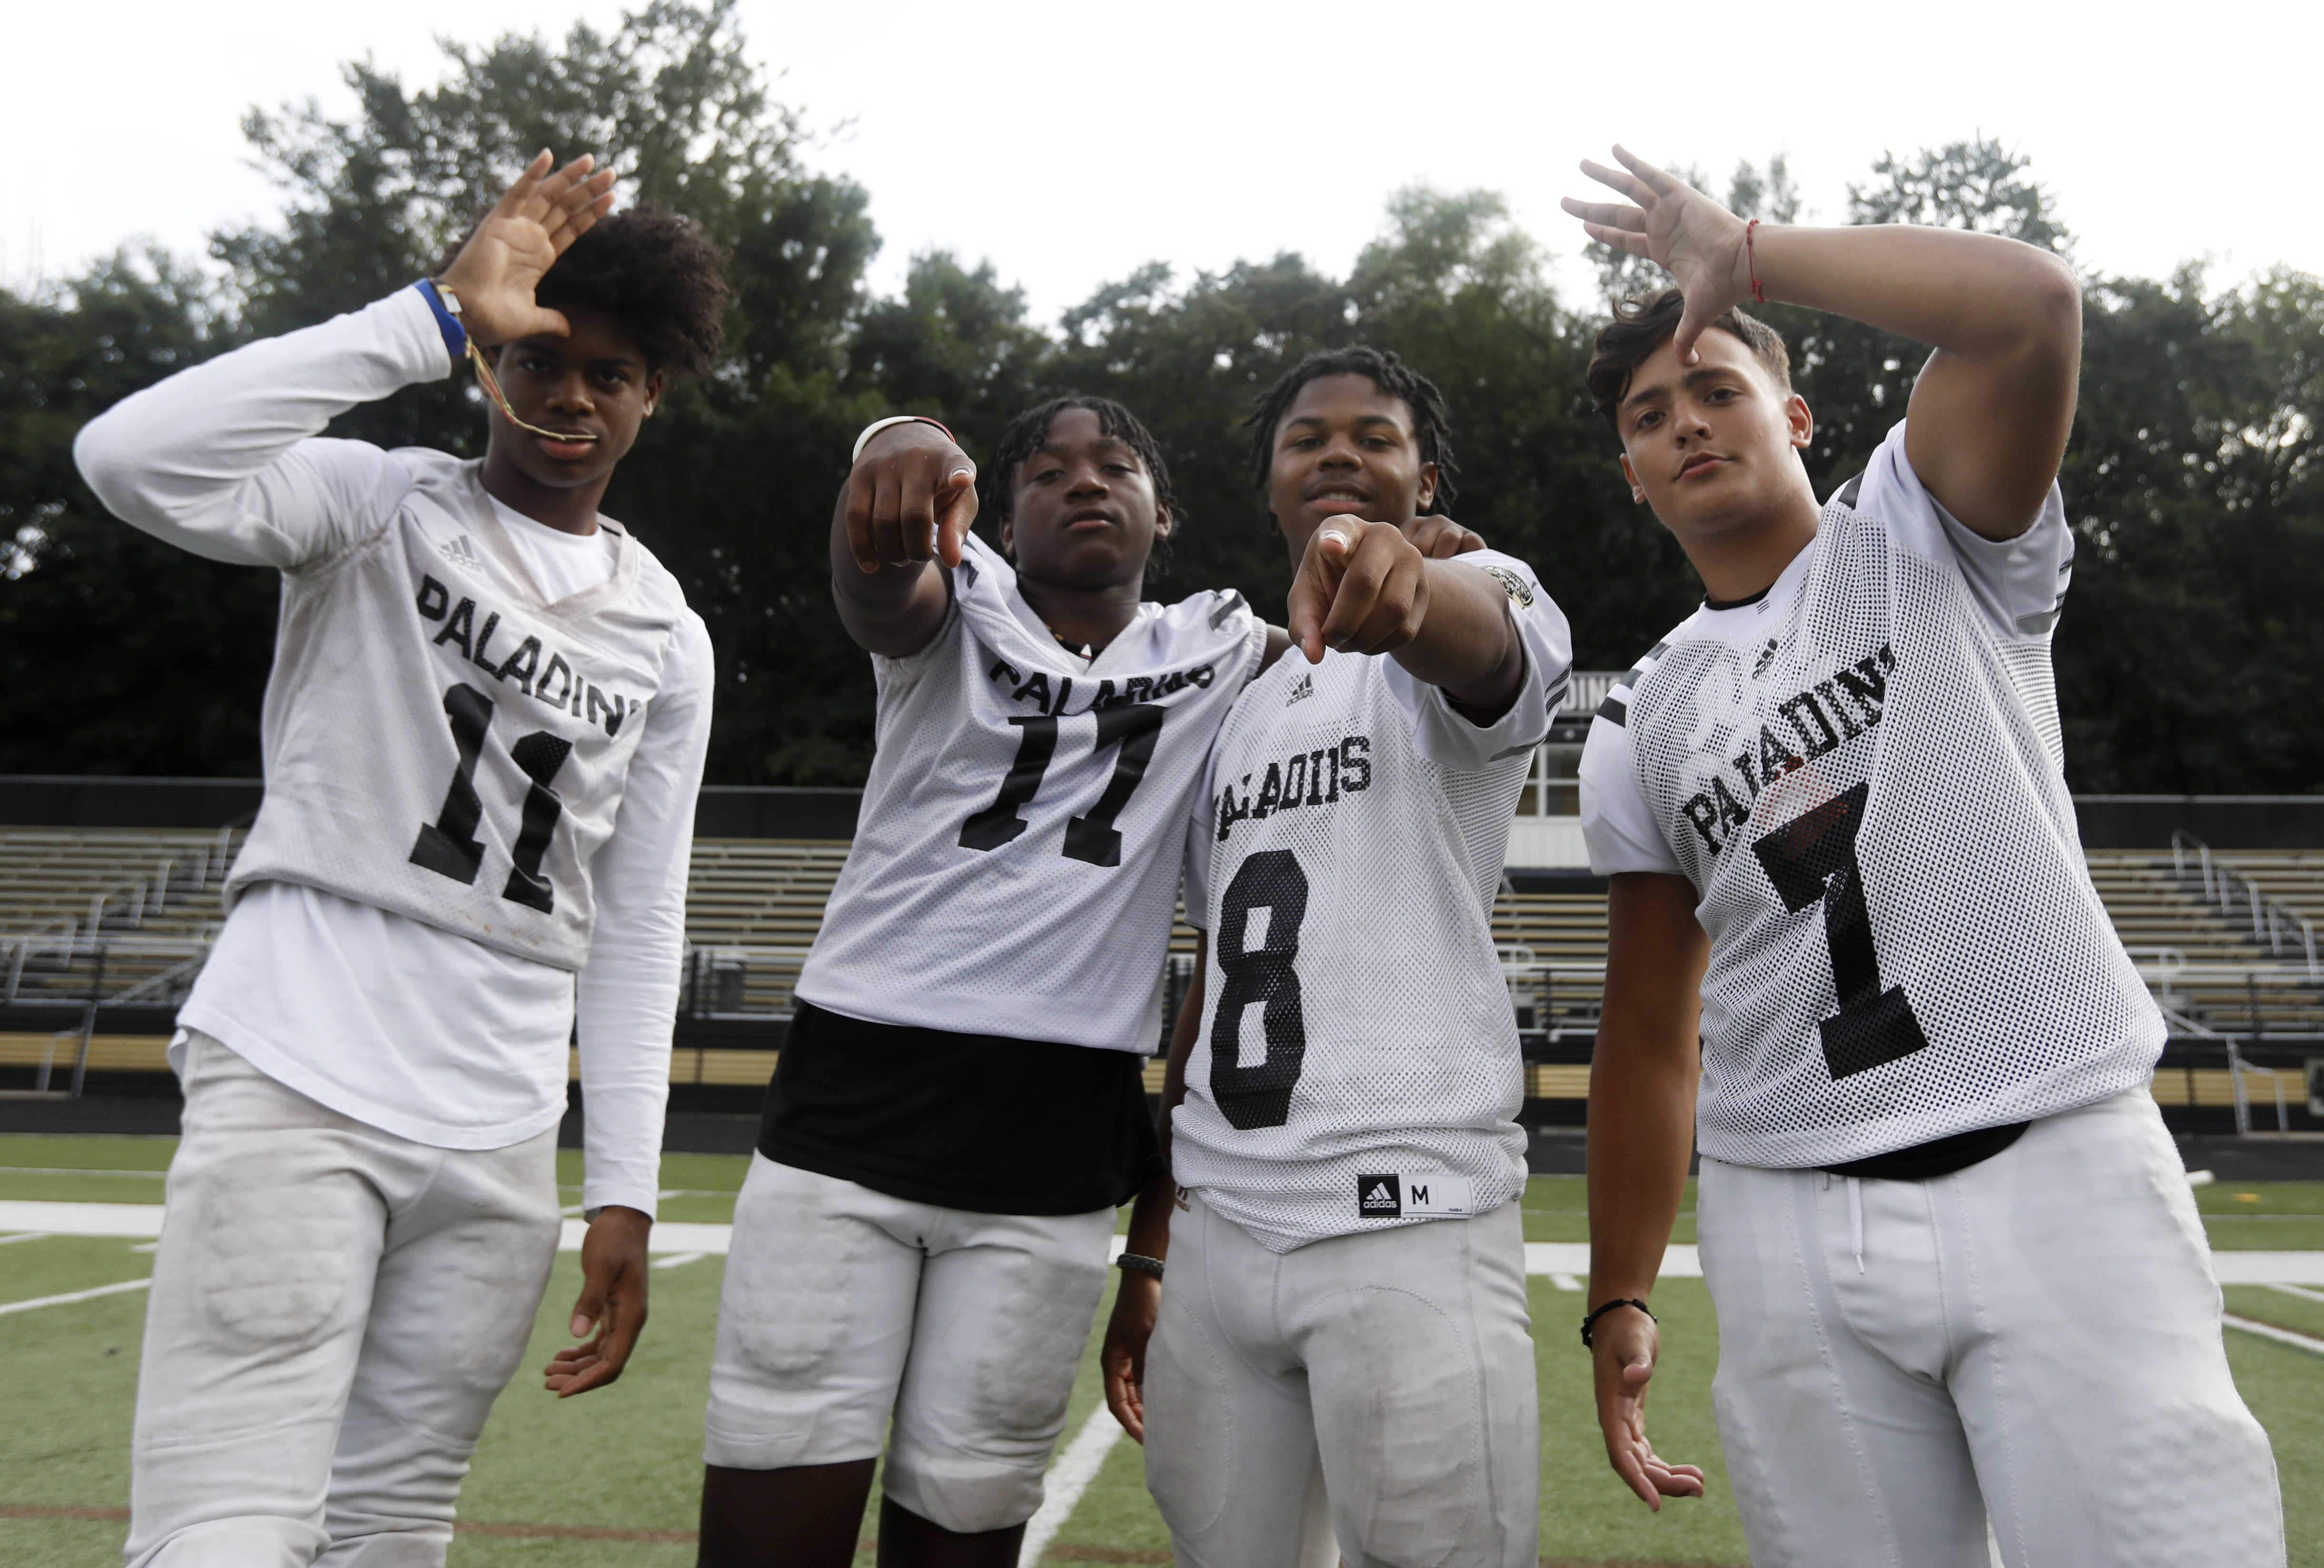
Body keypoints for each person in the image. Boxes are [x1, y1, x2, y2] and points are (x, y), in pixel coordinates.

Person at [1563, 147, 2285, 1567]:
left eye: (1717, 387)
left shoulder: (1916, 532)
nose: (1688, 424)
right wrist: (1619, 1294)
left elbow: (2027, 310)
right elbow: (1648, 1033)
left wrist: (1747, 256)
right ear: (1634, 474)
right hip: (1783, 1212)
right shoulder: (1636, 714)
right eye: (1652, 416)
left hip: (2049, 1148)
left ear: (1796, 413)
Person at [695, 392, 1491, 1568]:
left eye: (1115, 464)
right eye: (1048, 471)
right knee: (776, 1504)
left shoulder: (1221, 647)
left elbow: (1365, 634)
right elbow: (877, 578)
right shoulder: (954, 608)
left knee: (966, 1517)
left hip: (1053, 1149)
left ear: (1162, 513)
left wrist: (1425, 568)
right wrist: (891, 447)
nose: (1083, 481)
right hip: (850, 1110)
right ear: (1000, 521)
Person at [72, 151, 722, 1566]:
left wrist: (626, 1185)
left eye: (608, 376)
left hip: (496, 1125)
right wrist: (430, 311)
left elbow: (636, 918)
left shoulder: (670, 634)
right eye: (541, 358)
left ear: (650, 395)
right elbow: (125, 459)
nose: (569, 398)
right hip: (303, 1057)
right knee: (227, 1528)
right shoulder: (377, 504)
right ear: (492, 361)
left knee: (391, 1532)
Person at [1102, 346, 1575, 1568]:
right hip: (1218, 1230)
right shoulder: (1243, 700)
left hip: (1406, 1213)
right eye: (1308, 438)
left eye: (1377, 435)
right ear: (1269, 481)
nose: (1341, 455)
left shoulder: (1487, 588)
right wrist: (1153, 1239)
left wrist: (1412, 584)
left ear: (1427, 476)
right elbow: (1214, 980)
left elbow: (1479, 644)